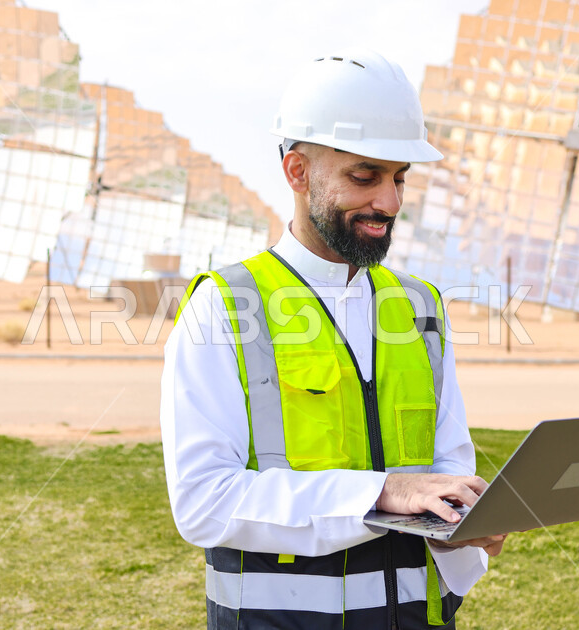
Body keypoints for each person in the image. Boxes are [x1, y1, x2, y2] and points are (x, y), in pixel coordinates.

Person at [160, 48, 507, 630]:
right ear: (298, 172)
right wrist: (380, 493)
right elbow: (203, 502)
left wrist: (461, 524)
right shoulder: (224, 305)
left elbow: (445, 468)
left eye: (399, 179)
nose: (389, 203)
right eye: (364, 176)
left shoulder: (419, 306)